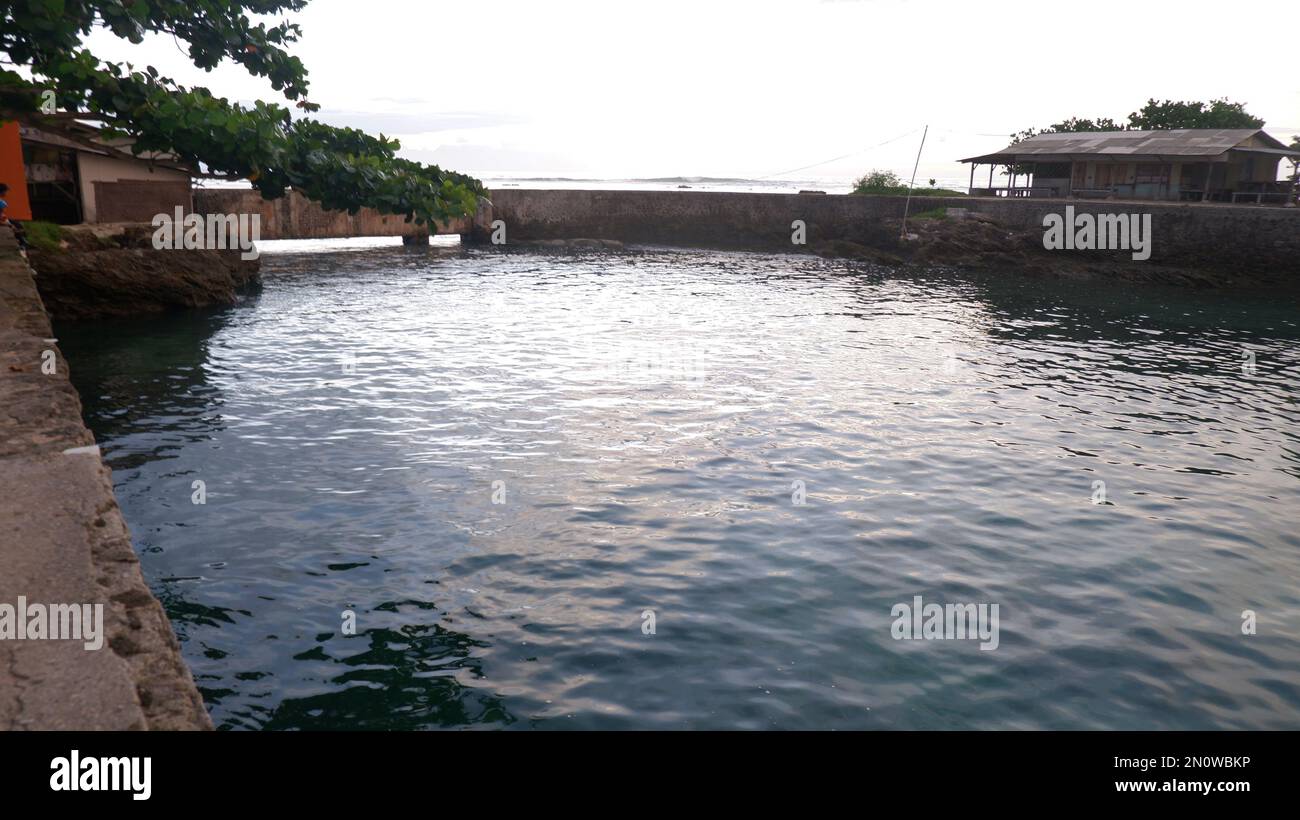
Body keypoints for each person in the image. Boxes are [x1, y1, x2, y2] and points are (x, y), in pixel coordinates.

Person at [0, 183, 29, 251]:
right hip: (1, 220)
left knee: (18, 224)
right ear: (2, 191)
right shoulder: (1, 203)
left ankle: (23, 242)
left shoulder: (1, 201)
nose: (7, 193)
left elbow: (2, 215)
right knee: (15, 227)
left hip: (2, 219)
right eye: (6, 191)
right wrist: (7, 223)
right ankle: (22, 244)